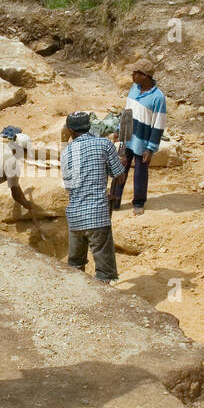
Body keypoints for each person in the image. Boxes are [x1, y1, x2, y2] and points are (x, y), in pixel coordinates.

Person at [60, 111, 126, 283]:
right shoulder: (104, 144)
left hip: (75, 217)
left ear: (71, 130)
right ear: (89, 125)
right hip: (97, 216)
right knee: (105, 272)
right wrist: (121, 162)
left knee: (75, 265)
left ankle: (79, 299)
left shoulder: (66, 153)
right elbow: (119, 177)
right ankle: (104, 305)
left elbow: (69, 187)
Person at [109, 56, 167, 216]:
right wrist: (119, 130)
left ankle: (139, 202)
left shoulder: (158, 97)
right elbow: (127, 112)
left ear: (145, 75)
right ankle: (115, 199)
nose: (132, 76)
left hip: (143, 141)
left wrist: (151, 148)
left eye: (135, 73)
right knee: (119, 167)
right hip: (127, 136)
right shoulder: (134, 89)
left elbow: (159, 124)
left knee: (140, 173)